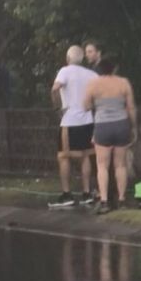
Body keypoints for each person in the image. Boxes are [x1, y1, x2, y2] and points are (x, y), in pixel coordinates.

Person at [83, 57, 137, 214]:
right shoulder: (124, 83)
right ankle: (121, 200)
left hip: (102, 126)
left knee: (102, 166)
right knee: (120, 165)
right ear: (114, 68)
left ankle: (105, 200)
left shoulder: (93, 84)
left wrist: (98, 105)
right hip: (121, 125)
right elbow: (131, 107)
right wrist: (132, 126)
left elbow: (86, 105)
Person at [50, 45, 98, 207]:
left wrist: (58, 108)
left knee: (63, 157)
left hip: (69, 120)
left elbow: (55, 89)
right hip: (88, 121)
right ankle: (86, 193)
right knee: (85, 156)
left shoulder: (65, 71)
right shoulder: (91, 74)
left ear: (67, 58)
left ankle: (67, 194)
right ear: (82, 58)